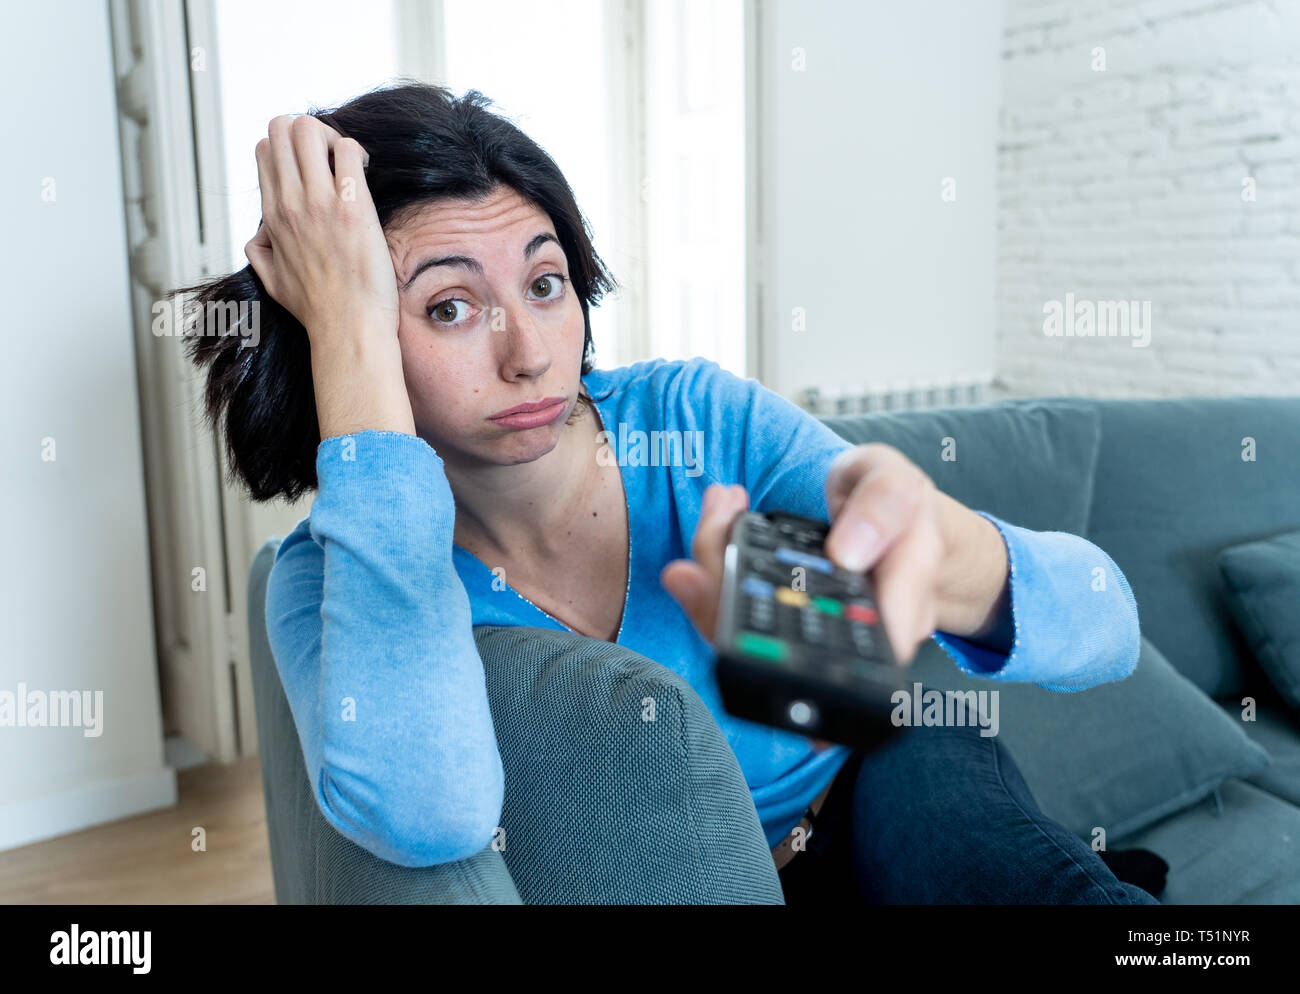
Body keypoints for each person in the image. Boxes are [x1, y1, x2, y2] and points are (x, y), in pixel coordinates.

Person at [171, 81, 1158, 904]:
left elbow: (1108, 622)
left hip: (885, 782)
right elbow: (433, 809)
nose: (528, 355)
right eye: (449, 305)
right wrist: (344, 340)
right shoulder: (327, 576)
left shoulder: (701, 422)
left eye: (546, 284)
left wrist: (944, 554)